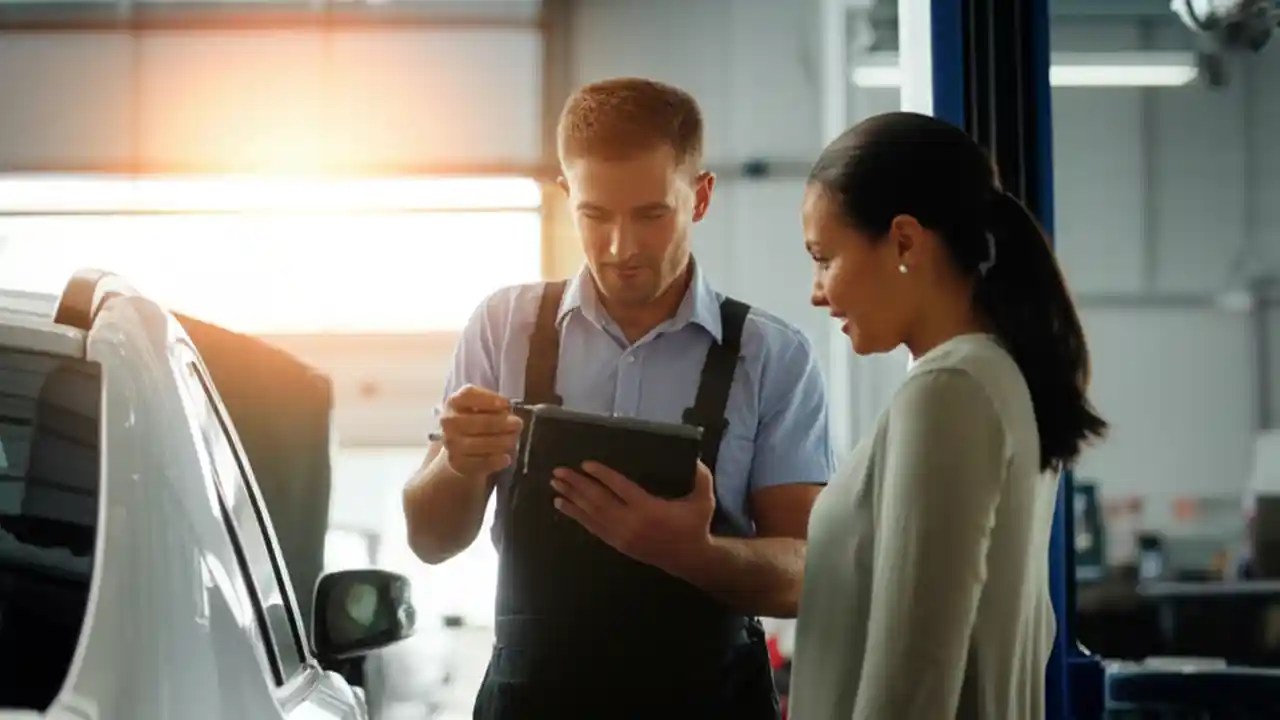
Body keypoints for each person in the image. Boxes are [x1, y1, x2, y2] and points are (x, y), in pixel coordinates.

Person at [401, 77, 834, 719]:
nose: (620, 248)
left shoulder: (771, 356)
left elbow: (805, 573)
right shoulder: (502, 328)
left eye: (651, 215)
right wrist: (459, 464)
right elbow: (430, 541)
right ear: (565, 194)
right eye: (595, 215)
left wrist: (694, 553)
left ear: (702, 196)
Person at [786, 111, 1109, 720]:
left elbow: (911, 684)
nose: (817, 290)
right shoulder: (992, 379)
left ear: (905, 241)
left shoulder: (949, 390)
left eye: (824, 257)